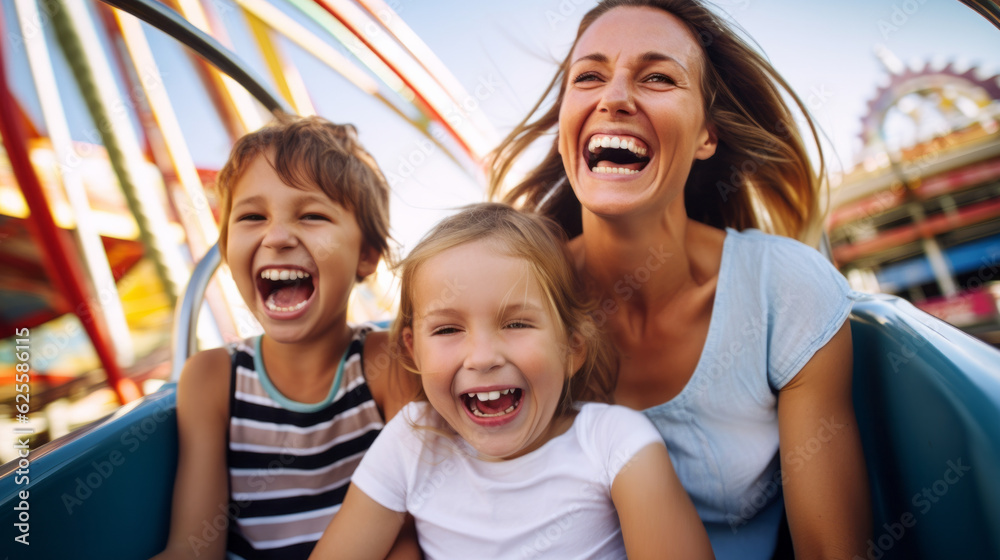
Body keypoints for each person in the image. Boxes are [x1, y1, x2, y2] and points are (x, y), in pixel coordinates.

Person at [488, 1, 871, 559]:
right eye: (588, 76)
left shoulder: (784, 289)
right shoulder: (509, 298)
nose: (613, 98)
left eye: (658, 77)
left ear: (706, 137)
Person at [308, 203, 714, 560]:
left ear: (572, 349)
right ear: (413, 351)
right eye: (448, 330)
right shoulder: (413, 443)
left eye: (516, 323)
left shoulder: (616, 444)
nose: (483, 357)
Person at [153, 116, 420, 560]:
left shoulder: (387, 365)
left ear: (367, 255)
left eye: (313, 215)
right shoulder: (214, 378)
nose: (276, 237)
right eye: (252, 217)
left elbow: (408, 540)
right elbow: (194, 548)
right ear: (225, 248)